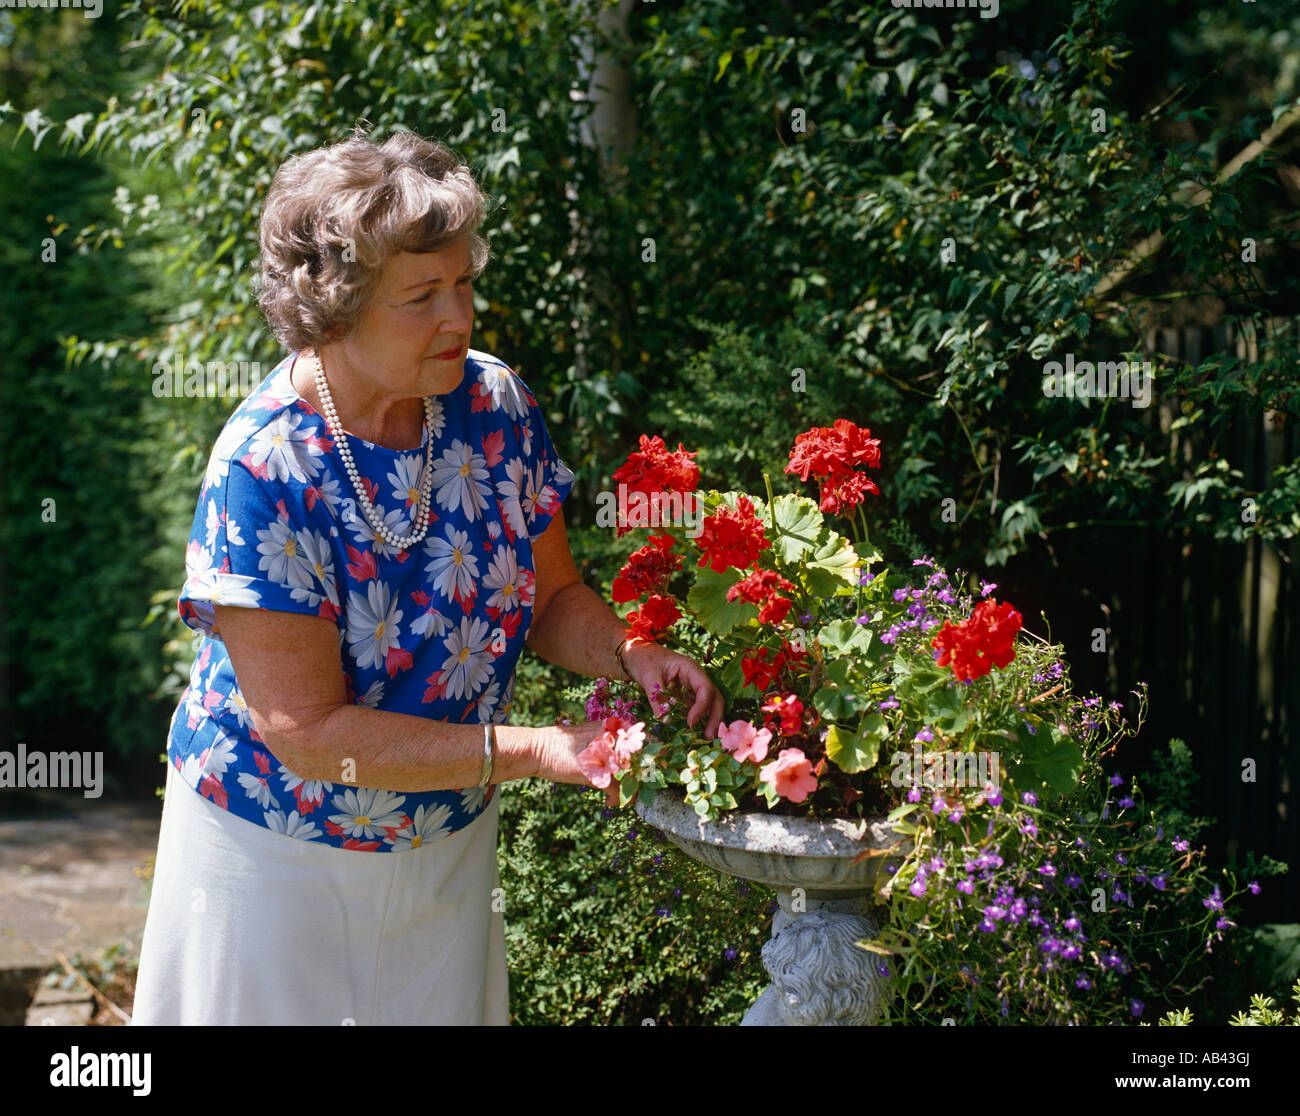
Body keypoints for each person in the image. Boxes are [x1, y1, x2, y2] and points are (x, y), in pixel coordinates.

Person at [131, 130, 724, 1026]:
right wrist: (531, 751)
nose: (460, 317)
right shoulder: (265, 467)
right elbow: (305, 729)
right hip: (275, 856)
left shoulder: (493, 405)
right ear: (333, 309)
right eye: (421, 296)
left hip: (443, 839)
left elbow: (552, 597)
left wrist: (630, 655)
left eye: (464, 284)